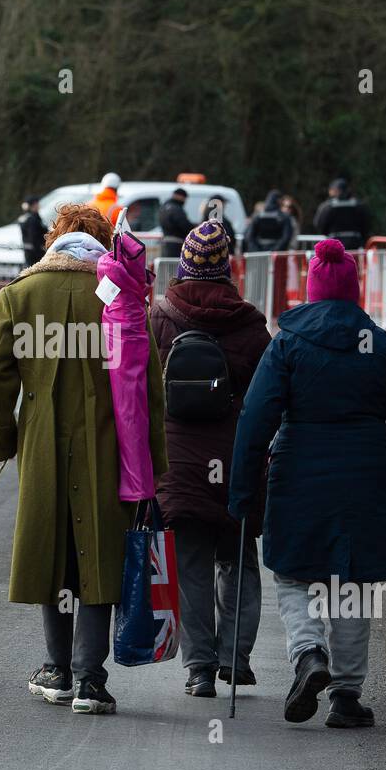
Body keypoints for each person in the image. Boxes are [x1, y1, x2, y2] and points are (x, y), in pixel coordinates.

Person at [229, 238, 386, 729]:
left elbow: (255, 418)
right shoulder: (379, 344)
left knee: (295, 575)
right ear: (354, 291)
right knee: (352, 584)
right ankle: (345, 696)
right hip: (365, 476)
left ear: (312, 290)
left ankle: (308, 655)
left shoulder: (288, 344)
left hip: (298, 474)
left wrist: (240, 490)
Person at [0, 204, 168, 715]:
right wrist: (155, 463)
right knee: (101, 551)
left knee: (52, 550)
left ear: (54, 239)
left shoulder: (19, 295)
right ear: (103, 241)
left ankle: (57, 670)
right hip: (108, 448)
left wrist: (3, 439)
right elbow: (148, 383)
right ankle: (90, 679)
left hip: (40, 444)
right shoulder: (121, 294)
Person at [150, 221, 271, 697]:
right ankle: (235, 659)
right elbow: (265, 400)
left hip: (177, 465)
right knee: (238, 561)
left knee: (191, 566)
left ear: (183, 263)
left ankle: (200, 668)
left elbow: (141, 390)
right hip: (236, 463)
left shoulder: (160, 315)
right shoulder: (251, 324)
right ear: (228, 267)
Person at [313, 178, 372, 251]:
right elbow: (366, 225)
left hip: (334, 244)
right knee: (352, 262)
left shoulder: (327, 206)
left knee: (335, 262)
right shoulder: (359, 205)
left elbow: (319, 224)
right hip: (355, 244)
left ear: (336, 190)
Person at [242, 189, 298, 253]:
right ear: (279, 201)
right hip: (277, 256)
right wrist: (274, 251)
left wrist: (256, 250)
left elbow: (249, 236)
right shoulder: (284, 218)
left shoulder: (257, 216)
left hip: (258, 256)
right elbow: (286, 238)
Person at [158, 187, 194, 259]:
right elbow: (185, 226)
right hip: (176, 245)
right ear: (181, 196)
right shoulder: (177, 209)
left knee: (166, 267)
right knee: (174, 267)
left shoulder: (164, 207)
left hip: (165, 244)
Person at [17, 195, 47, 266]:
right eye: (37, 203)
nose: (38, 205)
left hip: (29, 252)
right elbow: (34, 236)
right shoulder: (33, 219)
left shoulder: (26, 217)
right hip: (35, 253)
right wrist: (41, 249)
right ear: (33, 205)